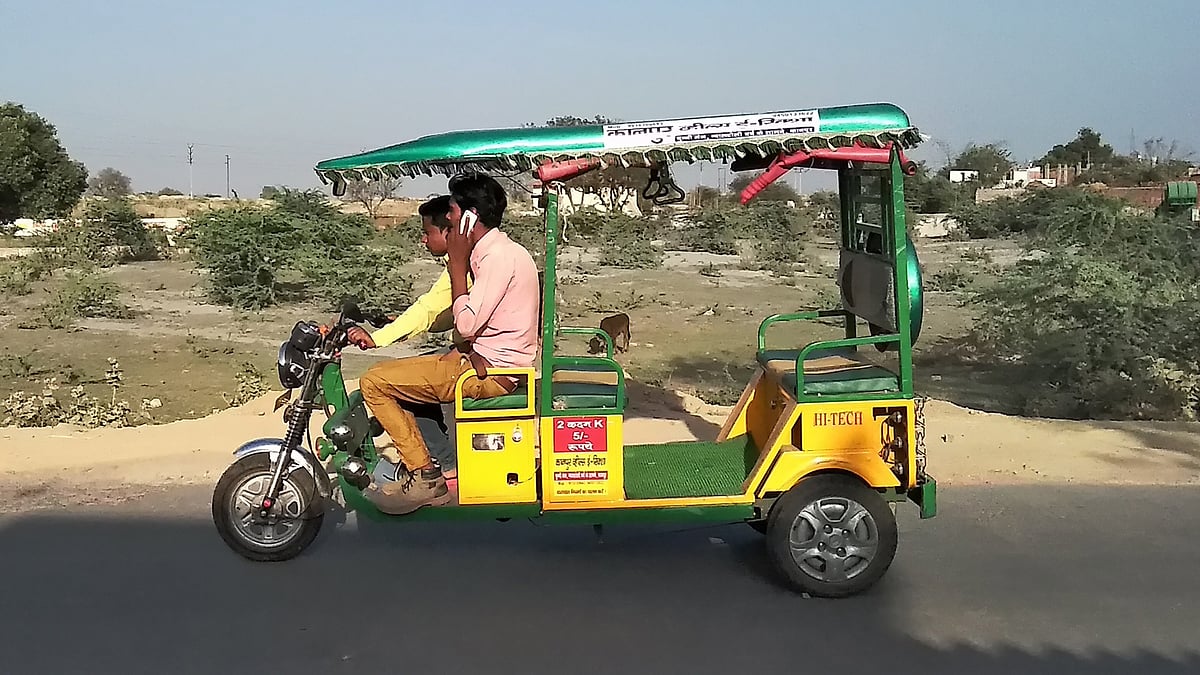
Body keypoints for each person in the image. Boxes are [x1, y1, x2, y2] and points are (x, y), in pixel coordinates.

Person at [352, 173, 541, 514]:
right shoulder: (497, 252)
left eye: (452, 212)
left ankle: (426, 477)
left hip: (486, 371)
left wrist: (456, 263)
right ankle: (433, 463)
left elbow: (465, 325)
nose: (450, 219)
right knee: (399, 374)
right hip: (483, 362)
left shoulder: (496, 258)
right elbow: (443, 315)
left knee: (373, 383)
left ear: (469, 216)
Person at [346, 195, 467, 485]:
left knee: (379, 382)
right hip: (474, 352)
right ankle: (444, 459)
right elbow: (447, 315)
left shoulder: (463, 265)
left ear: (448, 230)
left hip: (473, 360)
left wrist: (377, 339)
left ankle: (429, 468)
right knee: (412, 376)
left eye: (427, 233)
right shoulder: (472, 258)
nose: (424, 241)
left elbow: (428, 309)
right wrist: (398, 324)